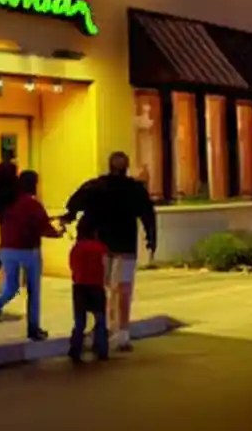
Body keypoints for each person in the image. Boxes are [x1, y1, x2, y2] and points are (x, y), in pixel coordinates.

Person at [60, 151, 156, 352]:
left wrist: (70, 216)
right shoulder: (135, 189)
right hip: (125, 245)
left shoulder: (96, 186)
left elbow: (73, 203)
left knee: (98, 287)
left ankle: (99, 328)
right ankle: (121, 332)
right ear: (126, 167)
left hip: (99, 246)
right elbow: (148, 216)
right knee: (123, 289)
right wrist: (151, 239)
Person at [0, 170, 60, 342]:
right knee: (33, 291)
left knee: (9, 289)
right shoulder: (33, 204)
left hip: (7, 250)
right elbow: (45, 228)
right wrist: (58, 232)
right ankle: (33, 329)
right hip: (29, 251)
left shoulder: (9, 203)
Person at [68, 225, 109, 361]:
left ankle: (75, 349)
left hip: (79, 286)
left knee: (80, 321)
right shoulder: (101, 248)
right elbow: (106, 266)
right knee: (100, 319)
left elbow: (72, 266)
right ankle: (102, 350)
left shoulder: (76, 248)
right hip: (96, 286)